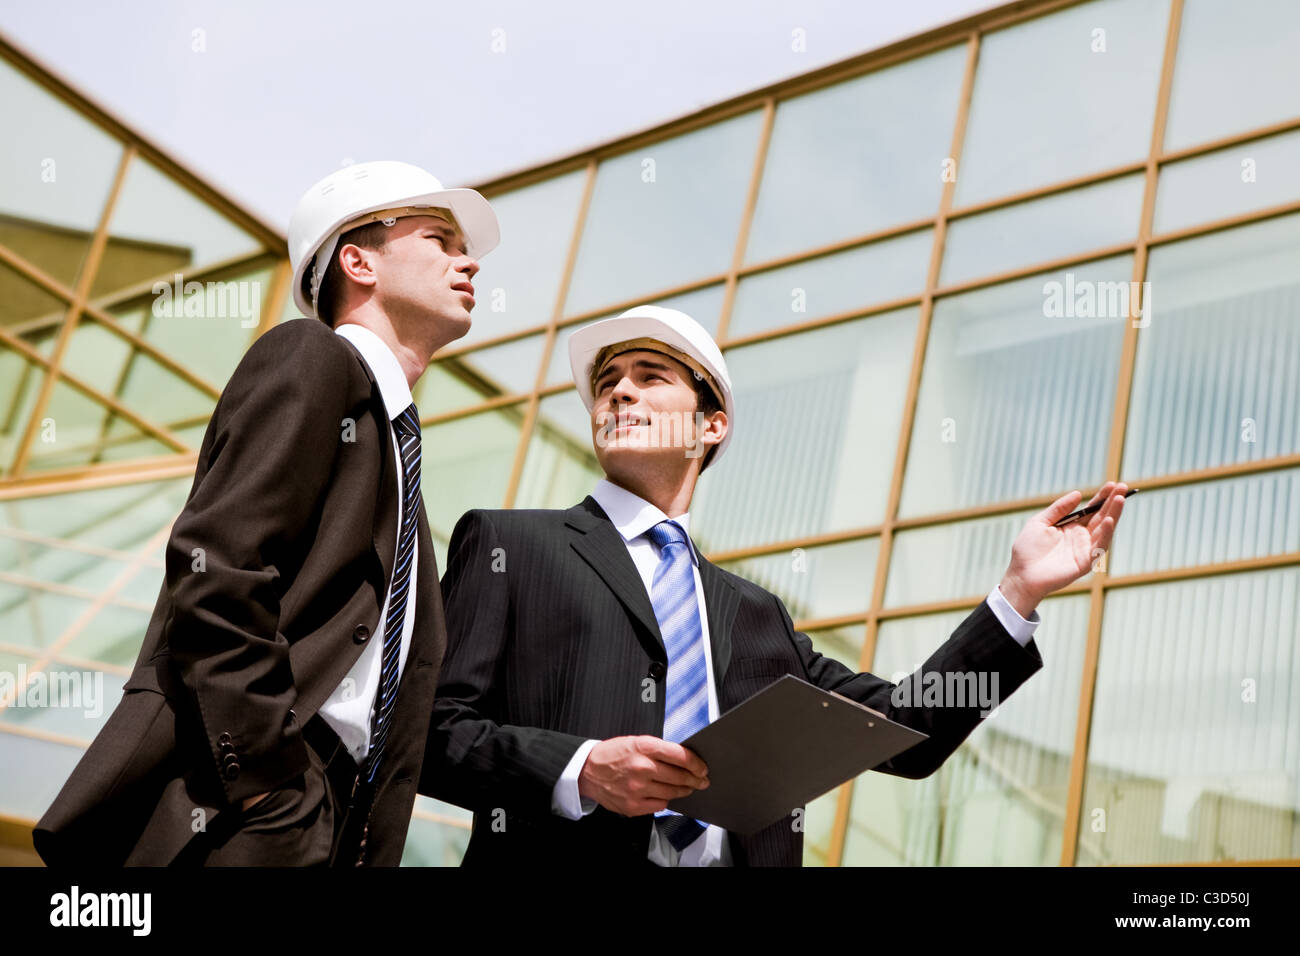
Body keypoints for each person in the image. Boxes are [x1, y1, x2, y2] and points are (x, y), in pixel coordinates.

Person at [423, 304, 1129, 866]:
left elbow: (908, 733)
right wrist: (580, 769)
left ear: (711, 425)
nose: (620, 390)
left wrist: (1016, 594)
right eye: (608, 383)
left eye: (649, 375)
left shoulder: (756, 613)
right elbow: (432, 736)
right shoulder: (513, 544)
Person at [33, 160, 498, 866]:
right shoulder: (313, 358)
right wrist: (267, 785)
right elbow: (215, 564)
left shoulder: (398, 459)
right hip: (247, 800)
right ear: (357, 260)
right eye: (439, 238)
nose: (467, 262)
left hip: (341, 822)